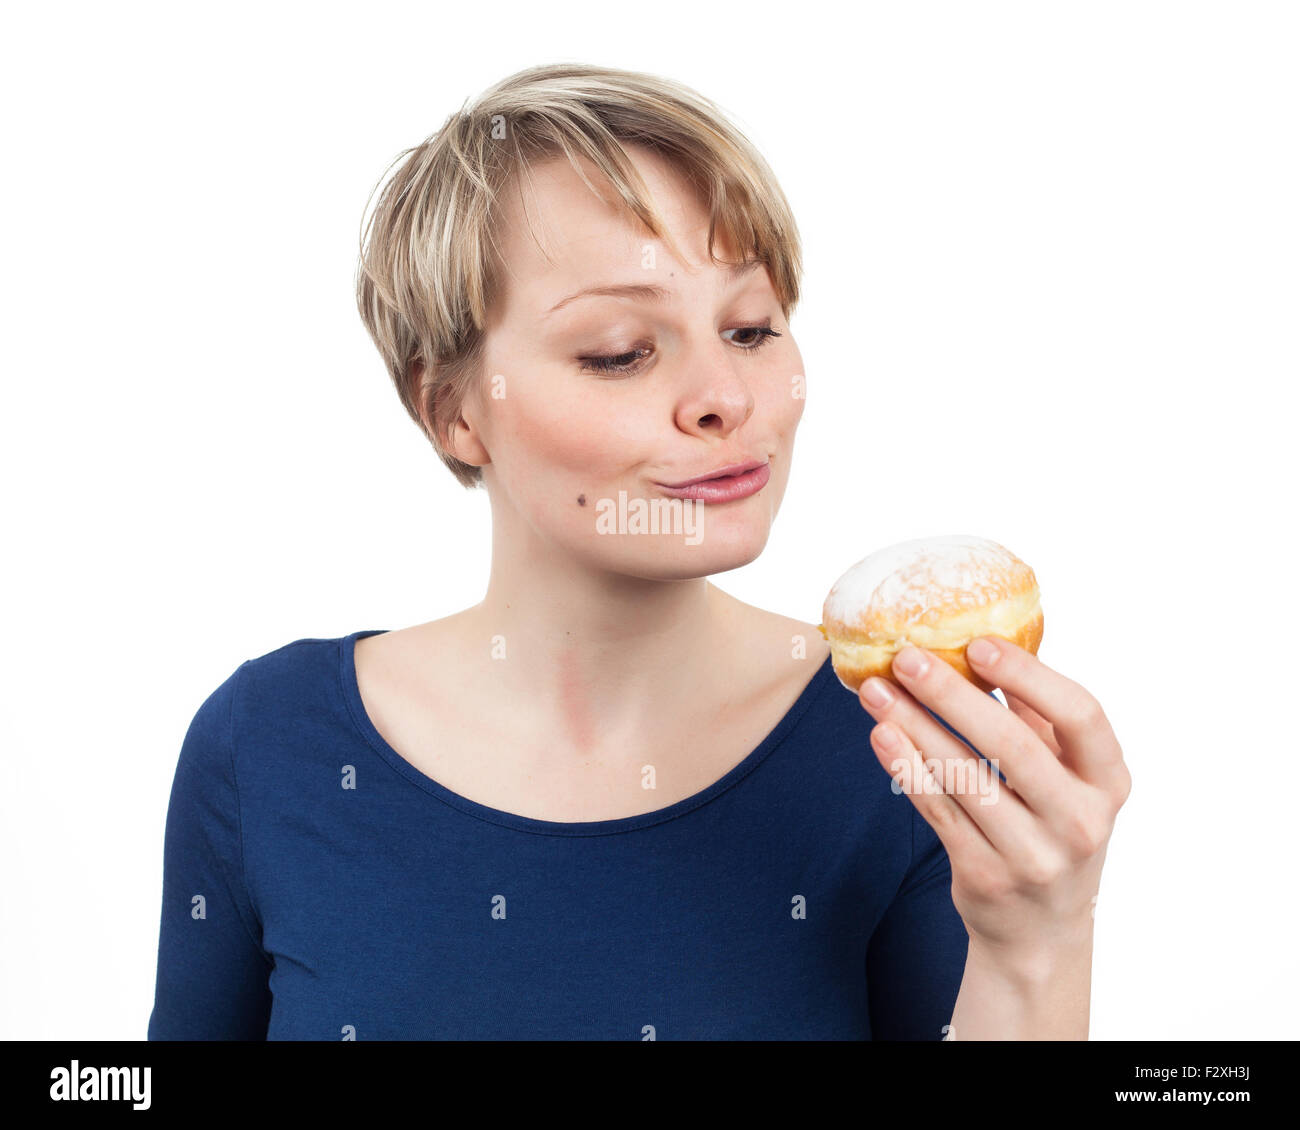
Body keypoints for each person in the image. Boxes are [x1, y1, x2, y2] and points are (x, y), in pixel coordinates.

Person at [147, 63, 1129, 1041]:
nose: (725, 397)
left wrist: (1036, 945)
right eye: (619, 349)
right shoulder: (268, 747)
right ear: (451, 410)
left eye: (750, 328)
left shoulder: (896, 749)